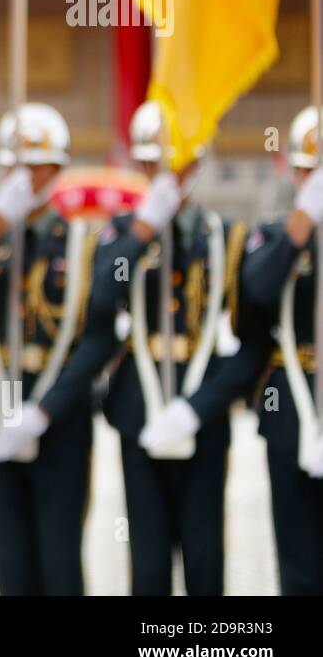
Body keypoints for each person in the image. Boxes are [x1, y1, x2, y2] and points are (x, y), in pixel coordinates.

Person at [69, 101, 256, 595]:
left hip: (203, 412)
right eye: (153, 164)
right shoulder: (121, 233)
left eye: (174, 165)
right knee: (148, 565)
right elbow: (101, 300)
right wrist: (143, 229)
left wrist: (199, 409)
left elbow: (250, 341)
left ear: (197, 165)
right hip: (139, 410)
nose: (164, 175)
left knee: (204, 560)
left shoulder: (223, 237)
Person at [0, 103, 96, 595]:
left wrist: (47, 410)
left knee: (60, 557)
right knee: (9, 555)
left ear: (56, 170)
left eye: (34, 167)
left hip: (59, 410)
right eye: (15, 167)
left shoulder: (79, 240)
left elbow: (95, 339)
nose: (23, 178)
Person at [238, 105, 323, 594]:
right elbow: (258, 291)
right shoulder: (274, 234)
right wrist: (301, 225)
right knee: (298, 566)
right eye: (308, 170)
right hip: (291, 406)